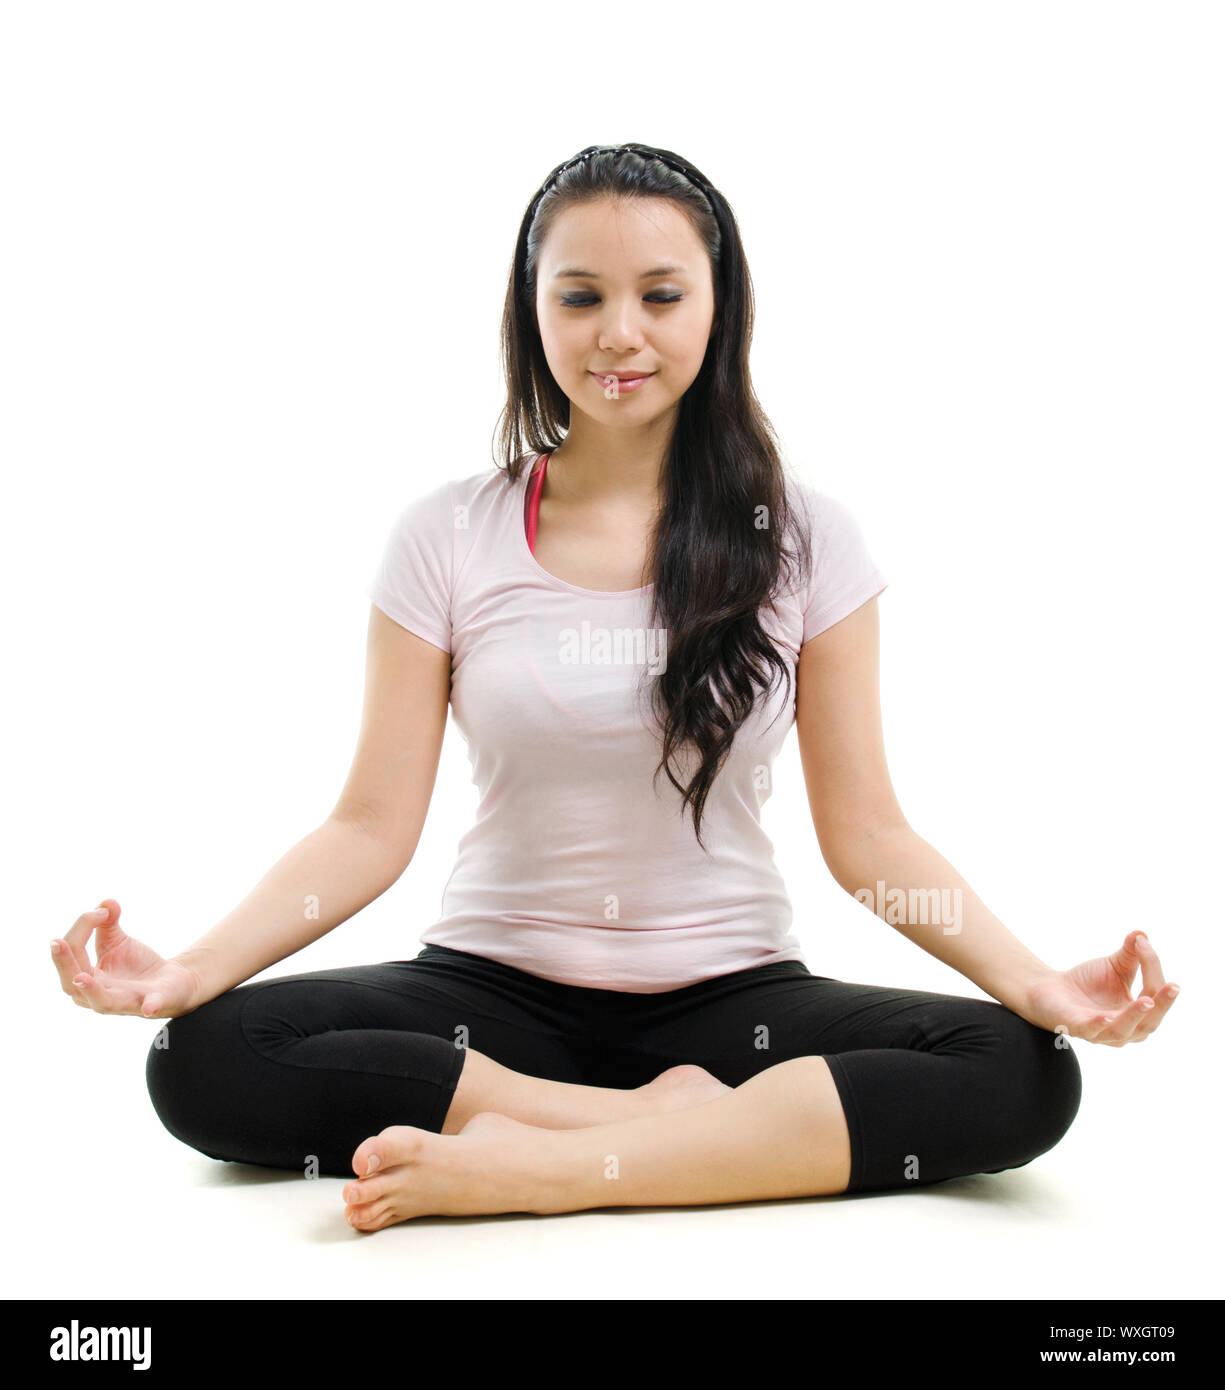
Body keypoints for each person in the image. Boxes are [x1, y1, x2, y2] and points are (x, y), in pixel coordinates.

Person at [52, 144, 1178, 1232]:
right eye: (580, 296)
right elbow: (366, 826)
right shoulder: (447, 535)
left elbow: (871, 835)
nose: (619, 334)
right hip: (487, 999)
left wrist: (1035, 983)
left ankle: (540, 1168)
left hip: (730, 1005)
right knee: (201, 1054)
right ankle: (656, 1134)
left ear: (717, 308)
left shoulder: (806, 538)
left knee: (1021, 1072)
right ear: (530, 308)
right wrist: (192, 967)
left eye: (660, 294)